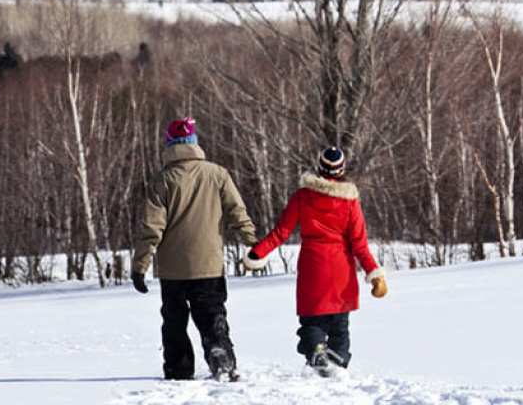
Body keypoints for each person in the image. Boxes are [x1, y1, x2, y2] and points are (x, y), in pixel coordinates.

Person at [132, 118, 259, 382]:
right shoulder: (217, 174)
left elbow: (151, 228)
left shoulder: (162, 180)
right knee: (212, 313)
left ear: (169, 144)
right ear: (194, 143)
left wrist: (140, 266)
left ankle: (178, 370)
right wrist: (253, 242)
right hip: (209, 265)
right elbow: (237, 212)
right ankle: (220, 355)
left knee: (174, 322)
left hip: (173, 270)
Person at [243, 146, 387, 376]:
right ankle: (337, 364)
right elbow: (359, 244)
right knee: (340, 326)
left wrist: (257, 253)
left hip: (313, 268)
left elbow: (281, 232)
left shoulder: (303, 196)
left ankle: (316, 353)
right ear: (342, 170)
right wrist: (375, 275)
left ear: (319, 167)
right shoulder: (350, 202)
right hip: (341, 270)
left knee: (312, 321)